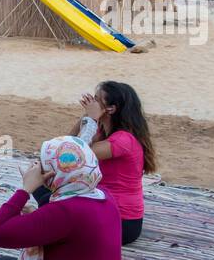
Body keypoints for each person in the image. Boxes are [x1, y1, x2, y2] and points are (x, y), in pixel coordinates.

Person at [37, 81, 155, 245]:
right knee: (41, 184)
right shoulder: (100, 131)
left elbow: (71, 156)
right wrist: (85, 118)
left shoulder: (123, 140)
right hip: (101, 204)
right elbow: (66, 145)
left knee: (48, 201)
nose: (91, 103)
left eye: (96, 99)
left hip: (122, 223)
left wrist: (91, 118)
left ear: (111, 109)